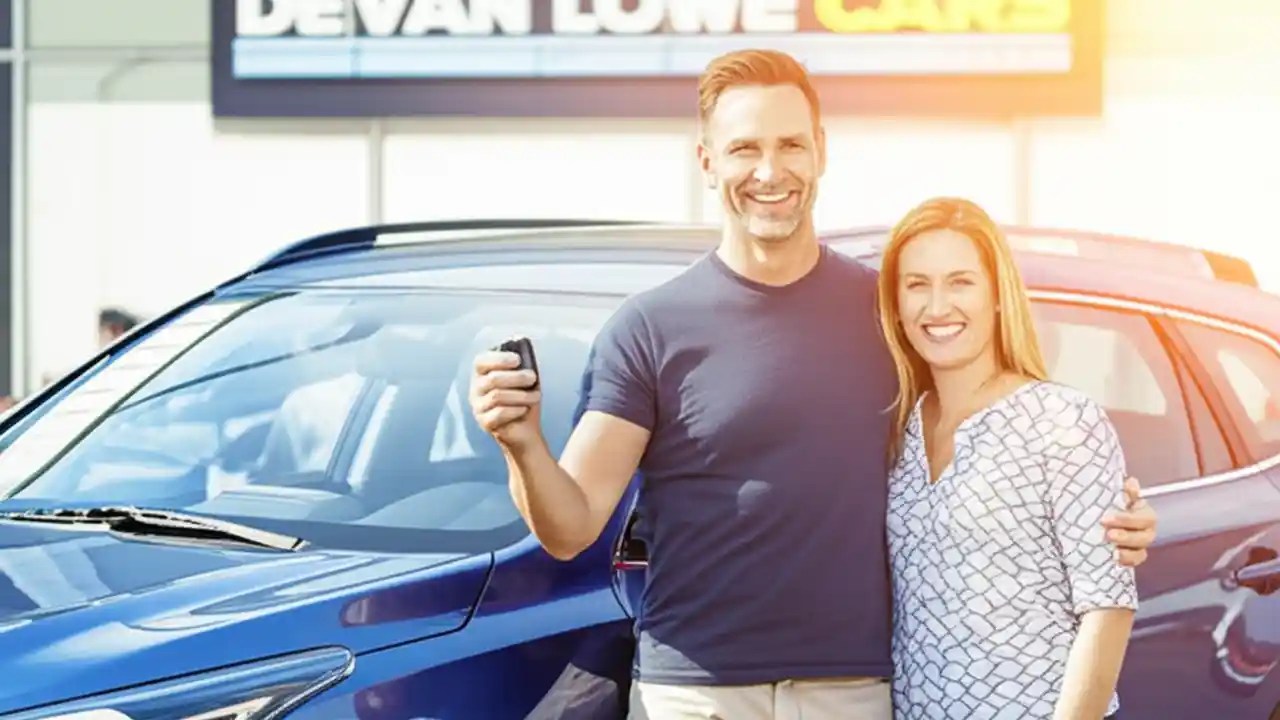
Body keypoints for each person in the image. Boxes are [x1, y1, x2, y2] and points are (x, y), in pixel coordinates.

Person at [468, 48, 1157, 720]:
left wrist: (1111, 517)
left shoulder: (888, 312)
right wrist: (522, 444)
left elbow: (997, 429)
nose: (770, 171)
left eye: (791, 145)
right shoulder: (648, 329)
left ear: (821, 152)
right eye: (744, 149)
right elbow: (571, 526)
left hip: (853, 694)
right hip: (696, 695)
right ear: (707, 162)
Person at [878, 197, 1136, 719]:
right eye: (917, 284)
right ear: (896, 304)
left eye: (961, 282)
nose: (937, 306)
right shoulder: (896, 430)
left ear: (998, 296)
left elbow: (1107, 608)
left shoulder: (1061, 420)